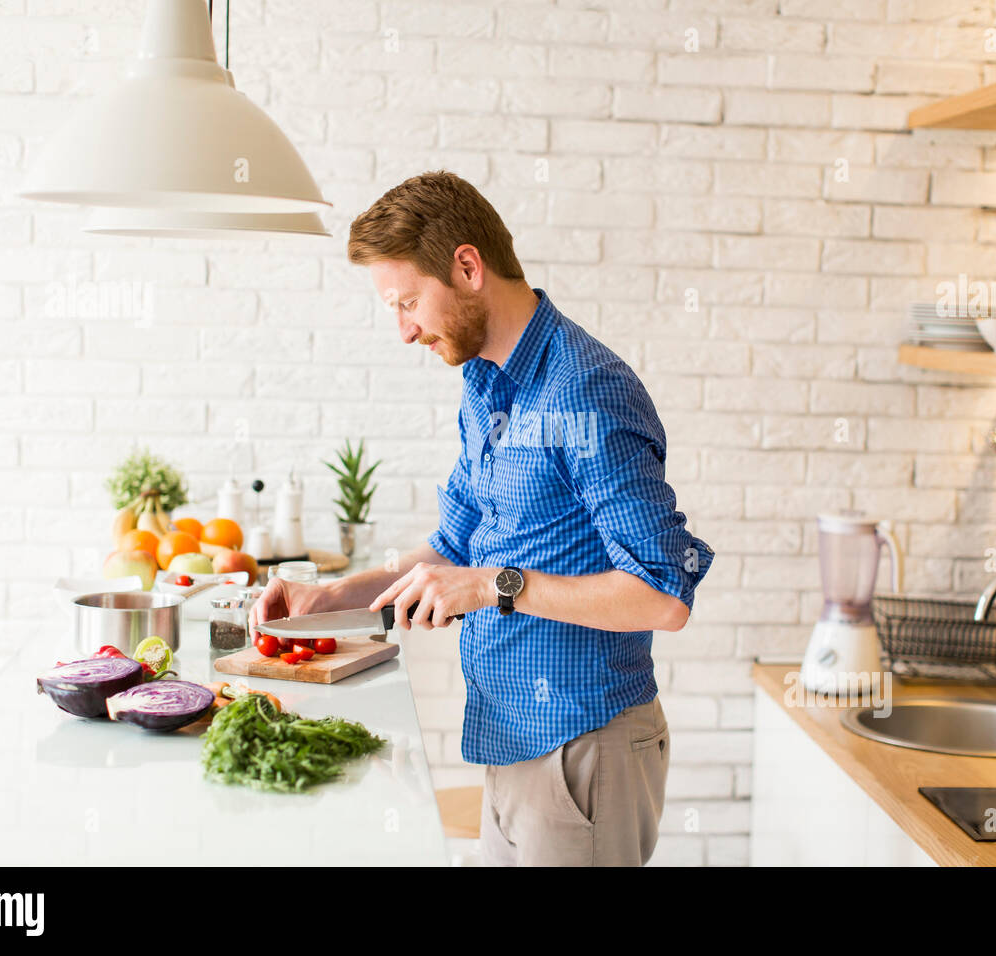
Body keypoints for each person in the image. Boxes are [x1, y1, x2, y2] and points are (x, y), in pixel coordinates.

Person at [250, 170, 714, 866]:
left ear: (468, 267)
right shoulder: (484, 384)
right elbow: (452, 547)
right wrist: (329, 600)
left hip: (583, 747)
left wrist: (495, 584)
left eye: (408, 302)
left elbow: (662, 597)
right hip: (512, 741)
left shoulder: (587, 391)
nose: (404, 330)